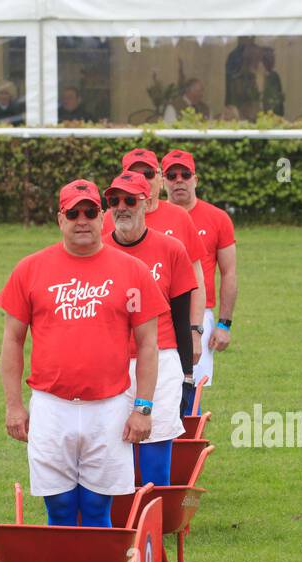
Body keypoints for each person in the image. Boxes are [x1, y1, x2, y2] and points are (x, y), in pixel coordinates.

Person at [0, 180, 163, 548]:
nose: (82, 220)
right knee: (58, 506)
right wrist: (13, 406)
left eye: (90, 212)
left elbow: (148, 343)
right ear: (60, 218)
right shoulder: (30, 269)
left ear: (101, 216)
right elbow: (12, 340)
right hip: (51, 404)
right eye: (73, 213)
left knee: (94, 505)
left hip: (108, 406)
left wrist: (144, 407)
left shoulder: (131, 271)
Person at [101, 171, 198, 487]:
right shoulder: (96, 252)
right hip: (110, 364)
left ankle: (154, 532)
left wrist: (186, 377)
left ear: (146, 202)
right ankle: (120, 531)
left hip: (160, 359)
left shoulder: (171, 249)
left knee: (155, 456)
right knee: (113, 456)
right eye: (114, 201)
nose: (121, 207)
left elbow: (181, 318)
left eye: (129, 200)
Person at [103, 147, 207, 398]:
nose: (142, 179)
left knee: (174, 412)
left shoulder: (179, 219)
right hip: (116, 349)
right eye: (133, 173)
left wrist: (195, 330)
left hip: (165, 343)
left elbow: (195, 282)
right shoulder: (108, 220)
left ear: (158, 178)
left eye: (148, 173)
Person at [160, 149, 237, 410]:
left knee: (191, 390)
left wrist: (224, 324)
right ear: (162, 180)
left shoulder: (218, 218)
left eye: (185, 174)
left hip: (198, 314)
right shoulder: (149, 218)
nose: (179, 180)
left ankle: (188, 447)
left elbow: (229, 273)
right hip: (157, 313)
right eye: (172, 175)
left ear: (196, 179)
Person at [260, 48, 285, 117]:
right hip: (264, 114)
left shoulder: (275, 76)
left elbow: (279, 94)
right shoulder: (259, 75)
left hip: (276, 114)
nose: (273, 61)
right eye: (271, 58)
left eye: (274, 58)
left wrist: (280, 98)